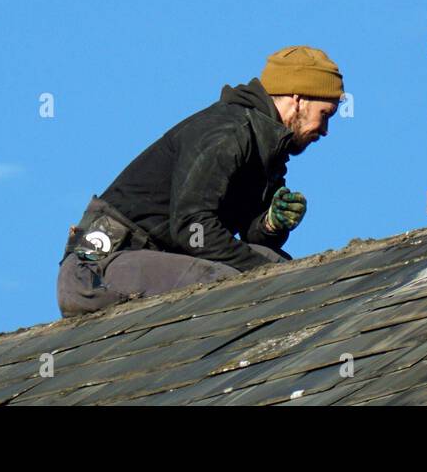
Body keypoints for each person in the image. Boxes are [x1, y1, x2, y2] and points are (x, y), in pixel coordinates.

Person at [56, 45, 342, 316]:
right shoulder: (228, 132)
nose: (326, 130)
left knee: (288, 271)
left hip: (154, 262)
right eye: (325, 115)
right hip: (94, 273)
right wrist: (262, 272)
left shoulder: (268, 147)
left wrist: (270, 223)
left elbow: (248, 235)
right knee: (230, 282)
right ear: (298, 99)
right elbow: (192, 227)